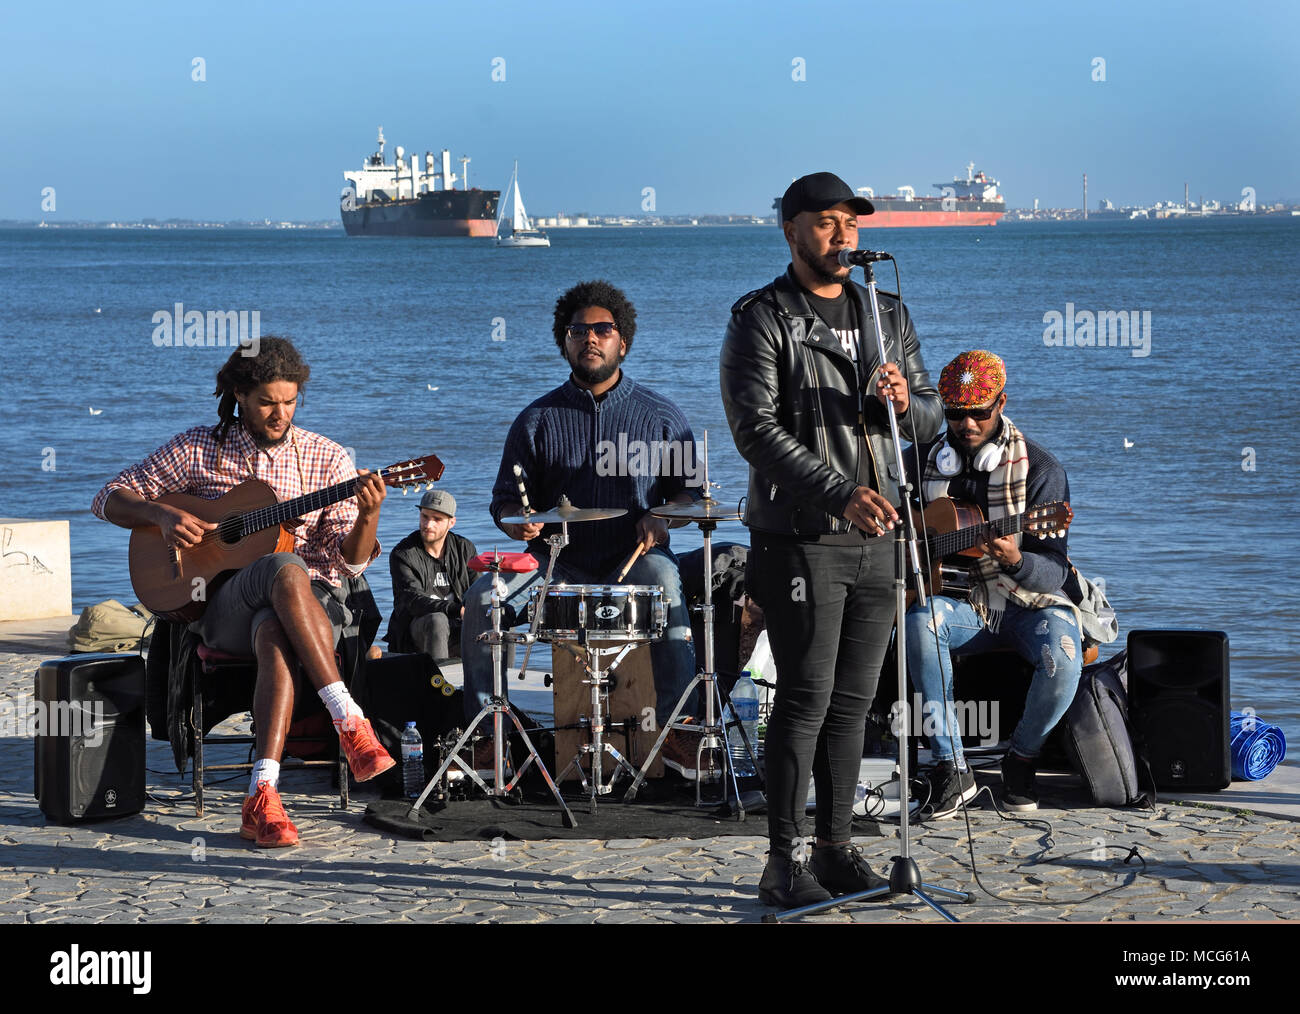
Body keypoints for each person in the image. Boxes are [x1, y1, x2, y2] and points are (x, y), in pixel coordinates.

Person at [720, 172, 944, 907]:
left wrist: (907, 402)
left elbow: (929, 422)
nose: (844, 234)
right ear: (790, 230)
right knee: (806, 697)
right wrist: (841, 493)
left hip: (881, 533)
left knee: (854, 701)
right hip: (803, 535)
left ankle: (838, 849)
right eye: (825, 222)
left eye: (850, 221)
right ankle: (782, 861)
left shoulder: (886, 312)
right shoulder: (763, 319)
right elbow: (756, 430)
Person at [91, 337, 395, 848]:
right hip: (218, 607)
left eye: (291, 401)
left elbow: (350, 563)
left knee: (277, 619)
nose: (281, 414)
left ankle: (263, 795)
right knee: (281, 562)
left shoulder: (327, 457)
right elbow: (107, 498)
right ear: (239, 395)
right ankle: (349, 719)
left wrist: (369, 514)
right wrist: (160, 515)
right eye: (267, 402)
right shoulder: (196, 448)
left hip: (310, 605)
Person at [461, 279, 702, 775]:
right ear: (563, 342)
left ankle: (680, 728)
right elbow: (506, 502)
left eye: (602, 329)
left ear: (623, 341)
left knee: (667, 584)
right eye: (577, 330)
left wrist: (663, 516)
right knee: (483, 598)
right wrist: (517, 527)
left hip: (634, 559)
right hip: (556, 563)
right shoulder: (536, 420)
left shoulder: (660, 416)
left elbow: (693, 496)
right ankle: (489, 733)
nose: (589, 338)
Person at [903, 350, 1082, 817]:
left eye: (978, 413)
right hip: (960, 605)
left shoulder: (1043, 471)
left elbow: (1056, 572)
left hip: (1026, 601)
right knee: (920, 621)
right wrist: (908, 546)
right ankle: (951, 766)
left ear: (1002, 403)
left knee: (1063, 659)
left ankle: (1021, 758)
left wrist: (1018, 559)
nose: (966, 425)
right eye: (955, 414)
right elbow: (888, 521)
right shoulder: (919, 461)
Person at [384, 489, 477, 661]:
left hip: (457, 626)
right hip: (416, 630)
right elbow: (413, 601)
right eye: (425, 516)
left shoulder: (464, 548)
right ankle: (439, 683)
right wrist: (457, 609)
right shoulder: (403, 553)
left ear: (451, 522)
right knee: (437, 620)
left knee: (499, 618)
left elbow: (477, 589)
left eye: (437, 519)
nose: (428, 525)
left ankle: (502, 681)